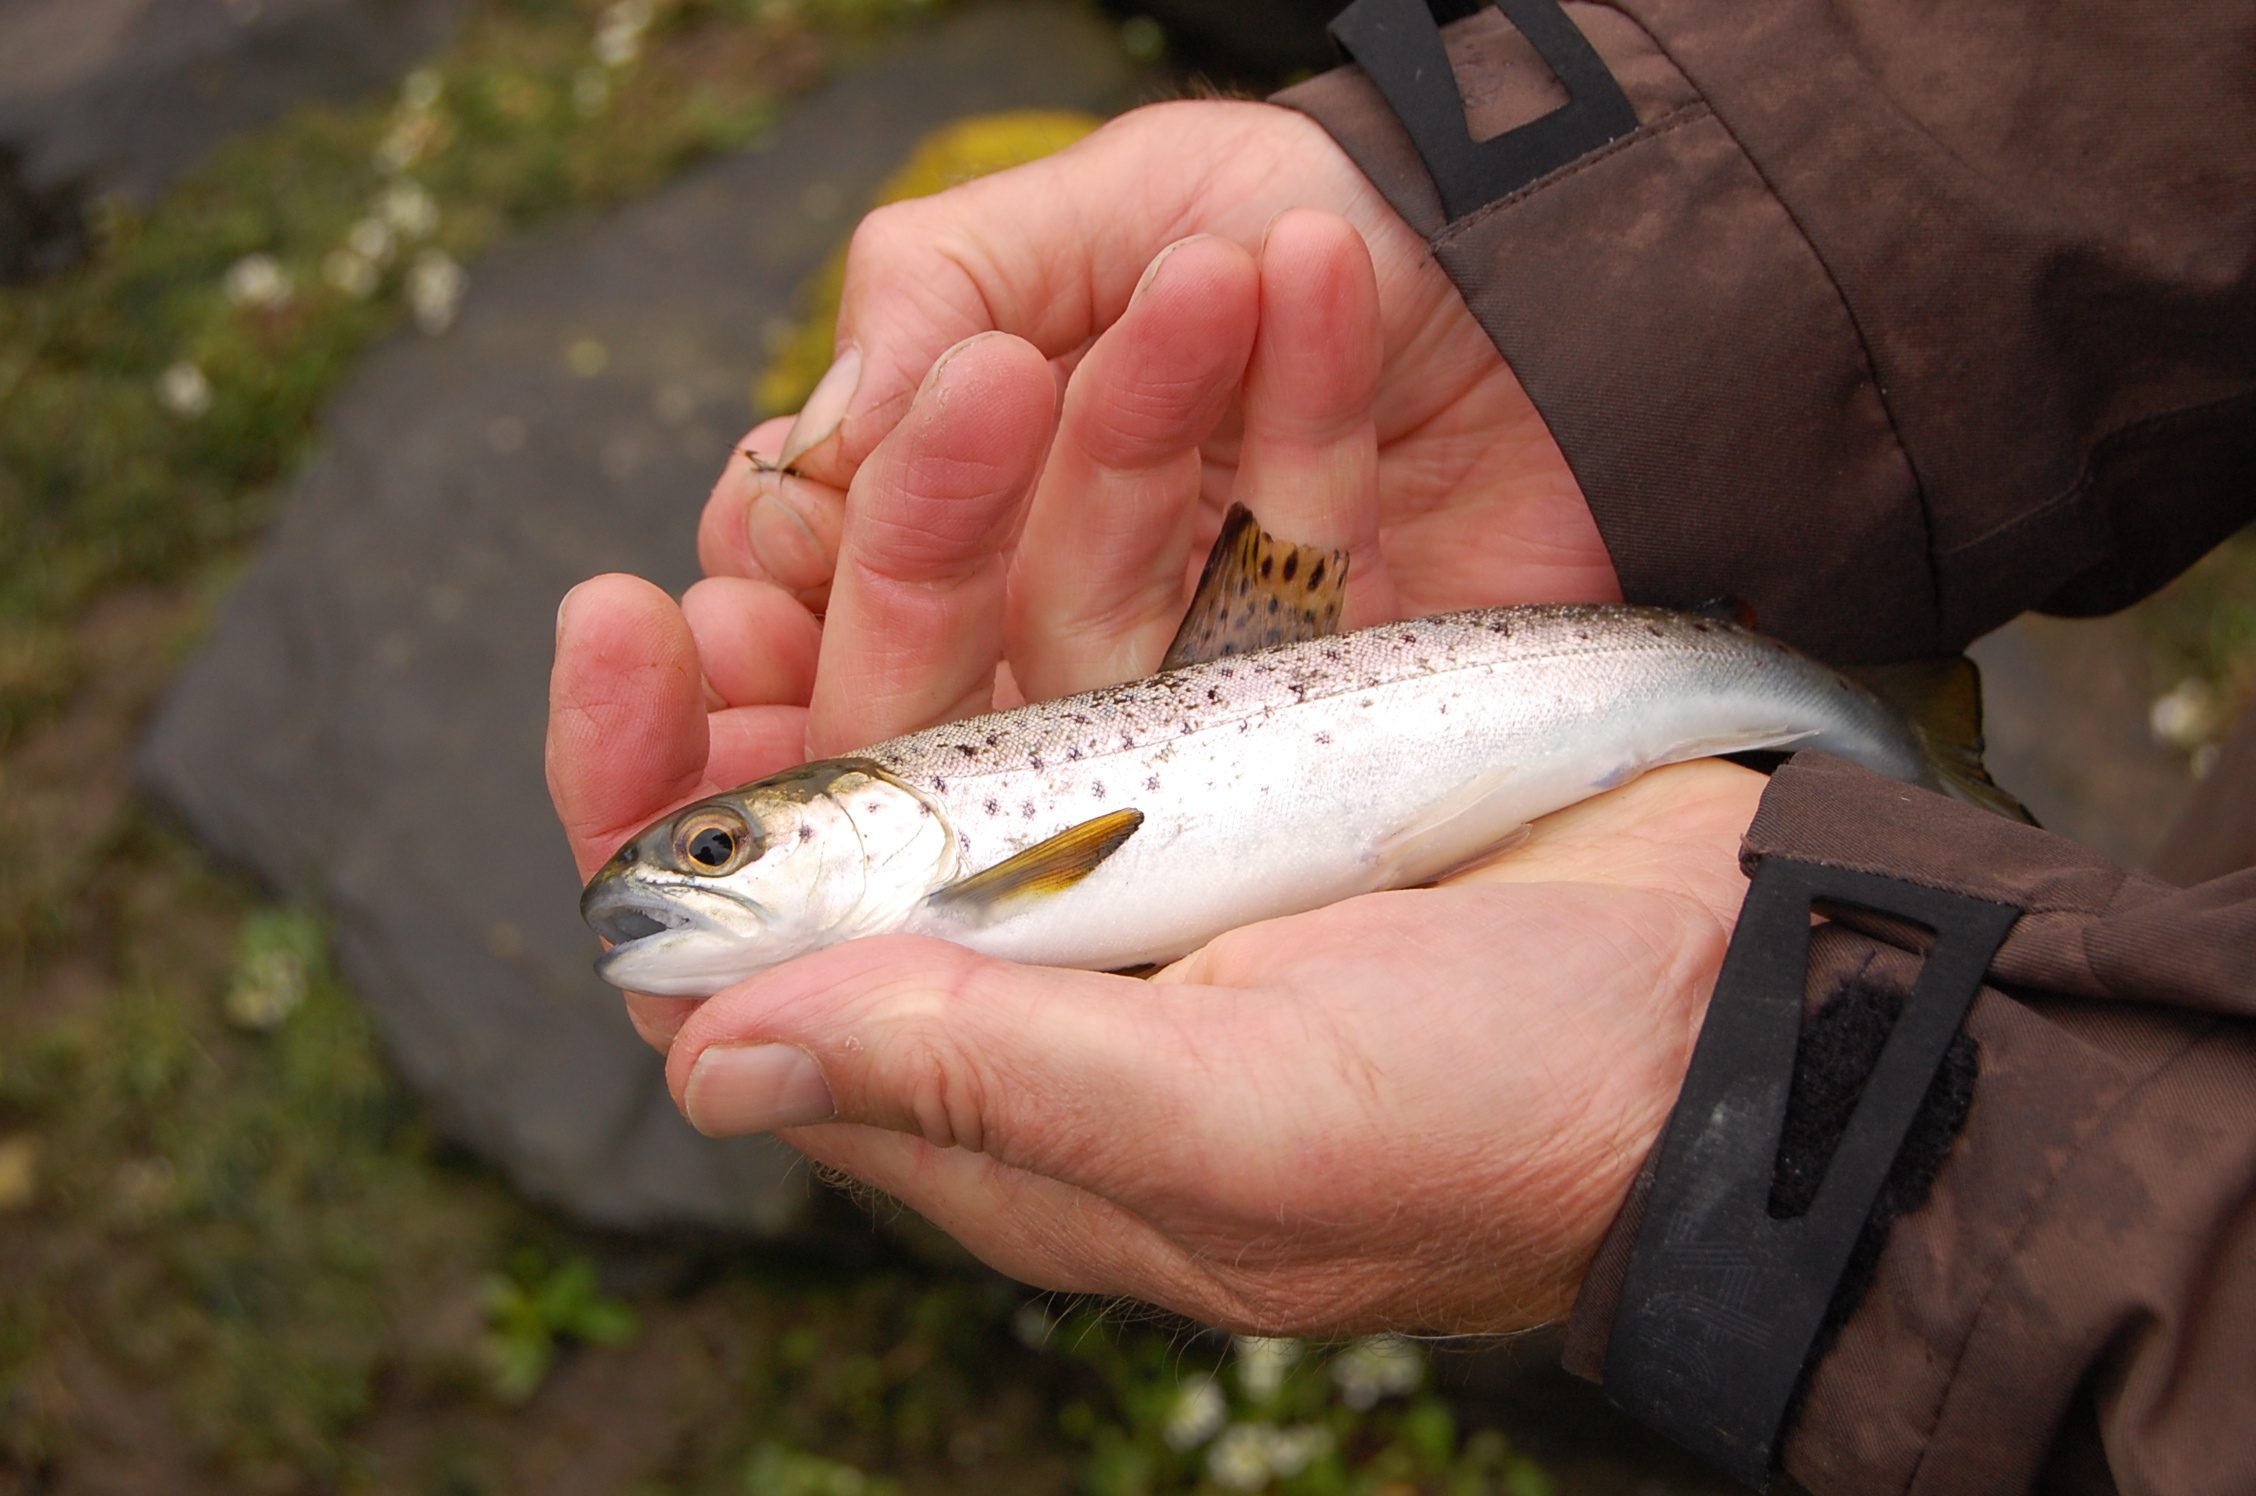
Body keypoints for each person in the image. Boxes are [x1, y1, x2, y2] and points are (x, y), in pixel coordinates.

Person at [546, 2, 2256, 1488]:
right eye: (707, 856)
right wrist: (1572, 277)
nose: (688, 872)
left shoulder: (985, 877)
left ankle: (1886, 742)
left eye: (717, 849)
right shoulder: (937, 891)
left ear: (865, 815)